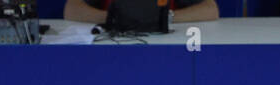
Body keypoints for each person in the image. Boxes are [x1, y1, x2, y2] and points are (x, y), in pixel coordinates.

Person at [63, 0, 219, 25]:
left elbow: (210, 9)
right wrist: (113, 19)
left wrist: (164, 18)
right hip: (111, 48)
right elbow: (72, 9)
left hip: (165, 49)